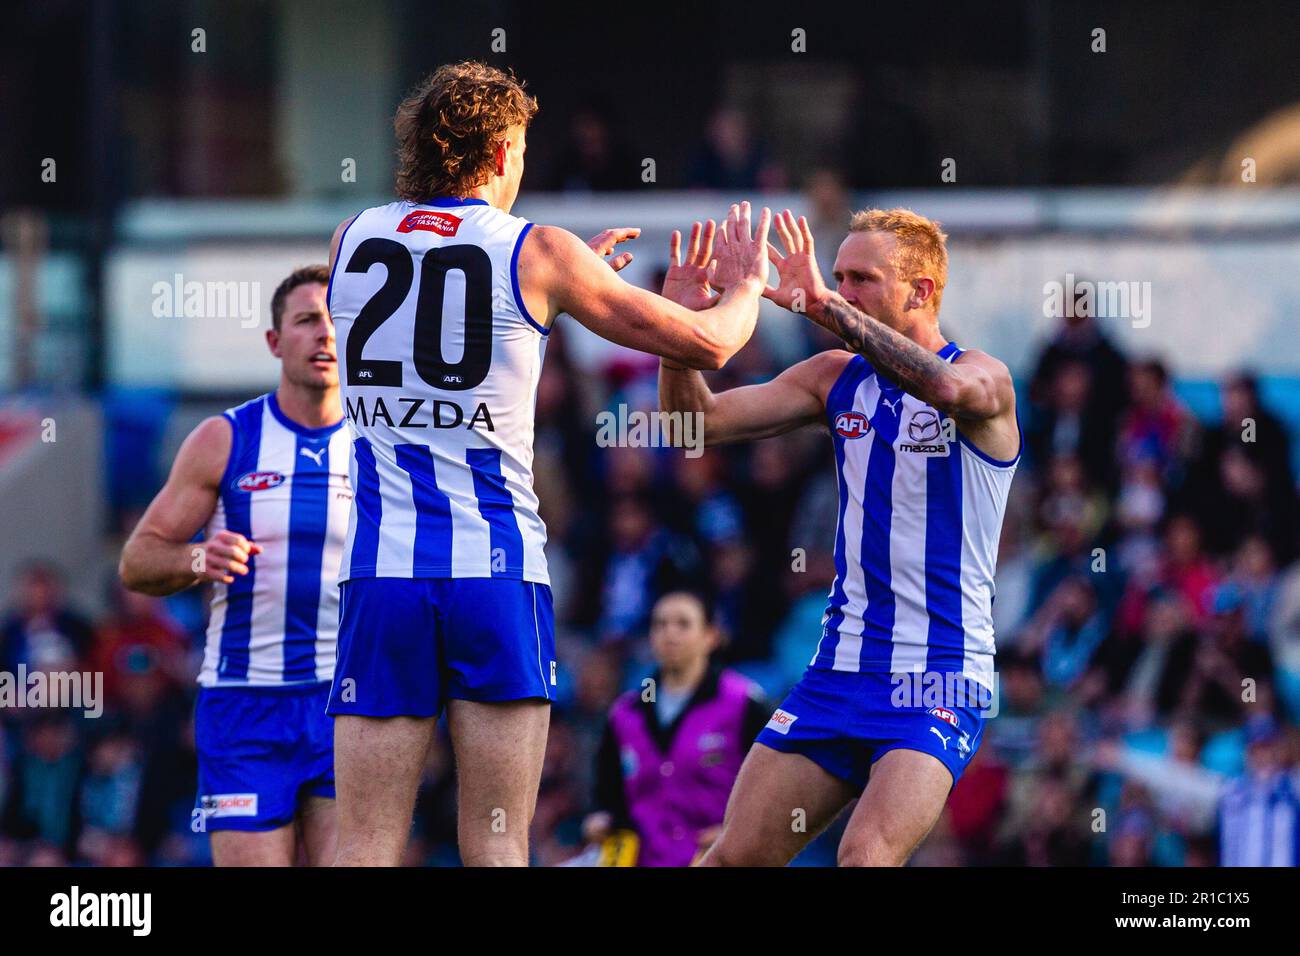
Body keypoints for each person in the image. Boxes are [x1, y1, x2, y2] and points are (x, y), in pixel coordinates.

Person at [324, 61, 769, 867]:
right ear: (498, 154)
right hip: (493, 574)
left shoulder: (351, 238)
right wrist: (743, 287)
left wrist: (558, 283)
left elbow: (436, 317)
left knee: (361, 844)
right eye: (522, 149)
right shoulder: (538, 252)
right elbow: (710, 343)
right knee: (496, 846)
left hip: (382, 575)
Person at [659, 207, 1019, 866]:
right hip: (839, 672)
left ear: (921, 292)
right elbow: (694, 426)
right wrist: (679, 339)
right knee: (733, 856)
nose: (843, 292)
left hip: (935, 678)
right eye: (839, 278)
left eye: (862, 280)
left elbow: (940, 385)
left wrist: (827, 310)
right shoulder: (834, 380)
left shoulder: (983, 377)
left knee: (864, 856)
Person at [119, 266, 348, 866]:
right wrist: (199, 556)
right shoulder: (225, 439)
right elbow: (137, 561)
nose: (324, 335)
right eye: (306, 321)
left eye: (335, 321)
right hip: (245, 707)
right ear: (275, 342)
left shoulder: (382, 445)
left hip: (348, 703)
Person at [584, 591, 769, 866]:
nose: (670, 633)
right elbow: (606, 795)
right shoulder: (625, 712)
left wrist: (738, 835)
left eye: (683, 624)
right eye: (660, 624)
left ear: (711, 636)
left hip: (714, 858)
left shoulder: (745, 704)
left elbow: (770, 787)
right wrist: (599, 819)